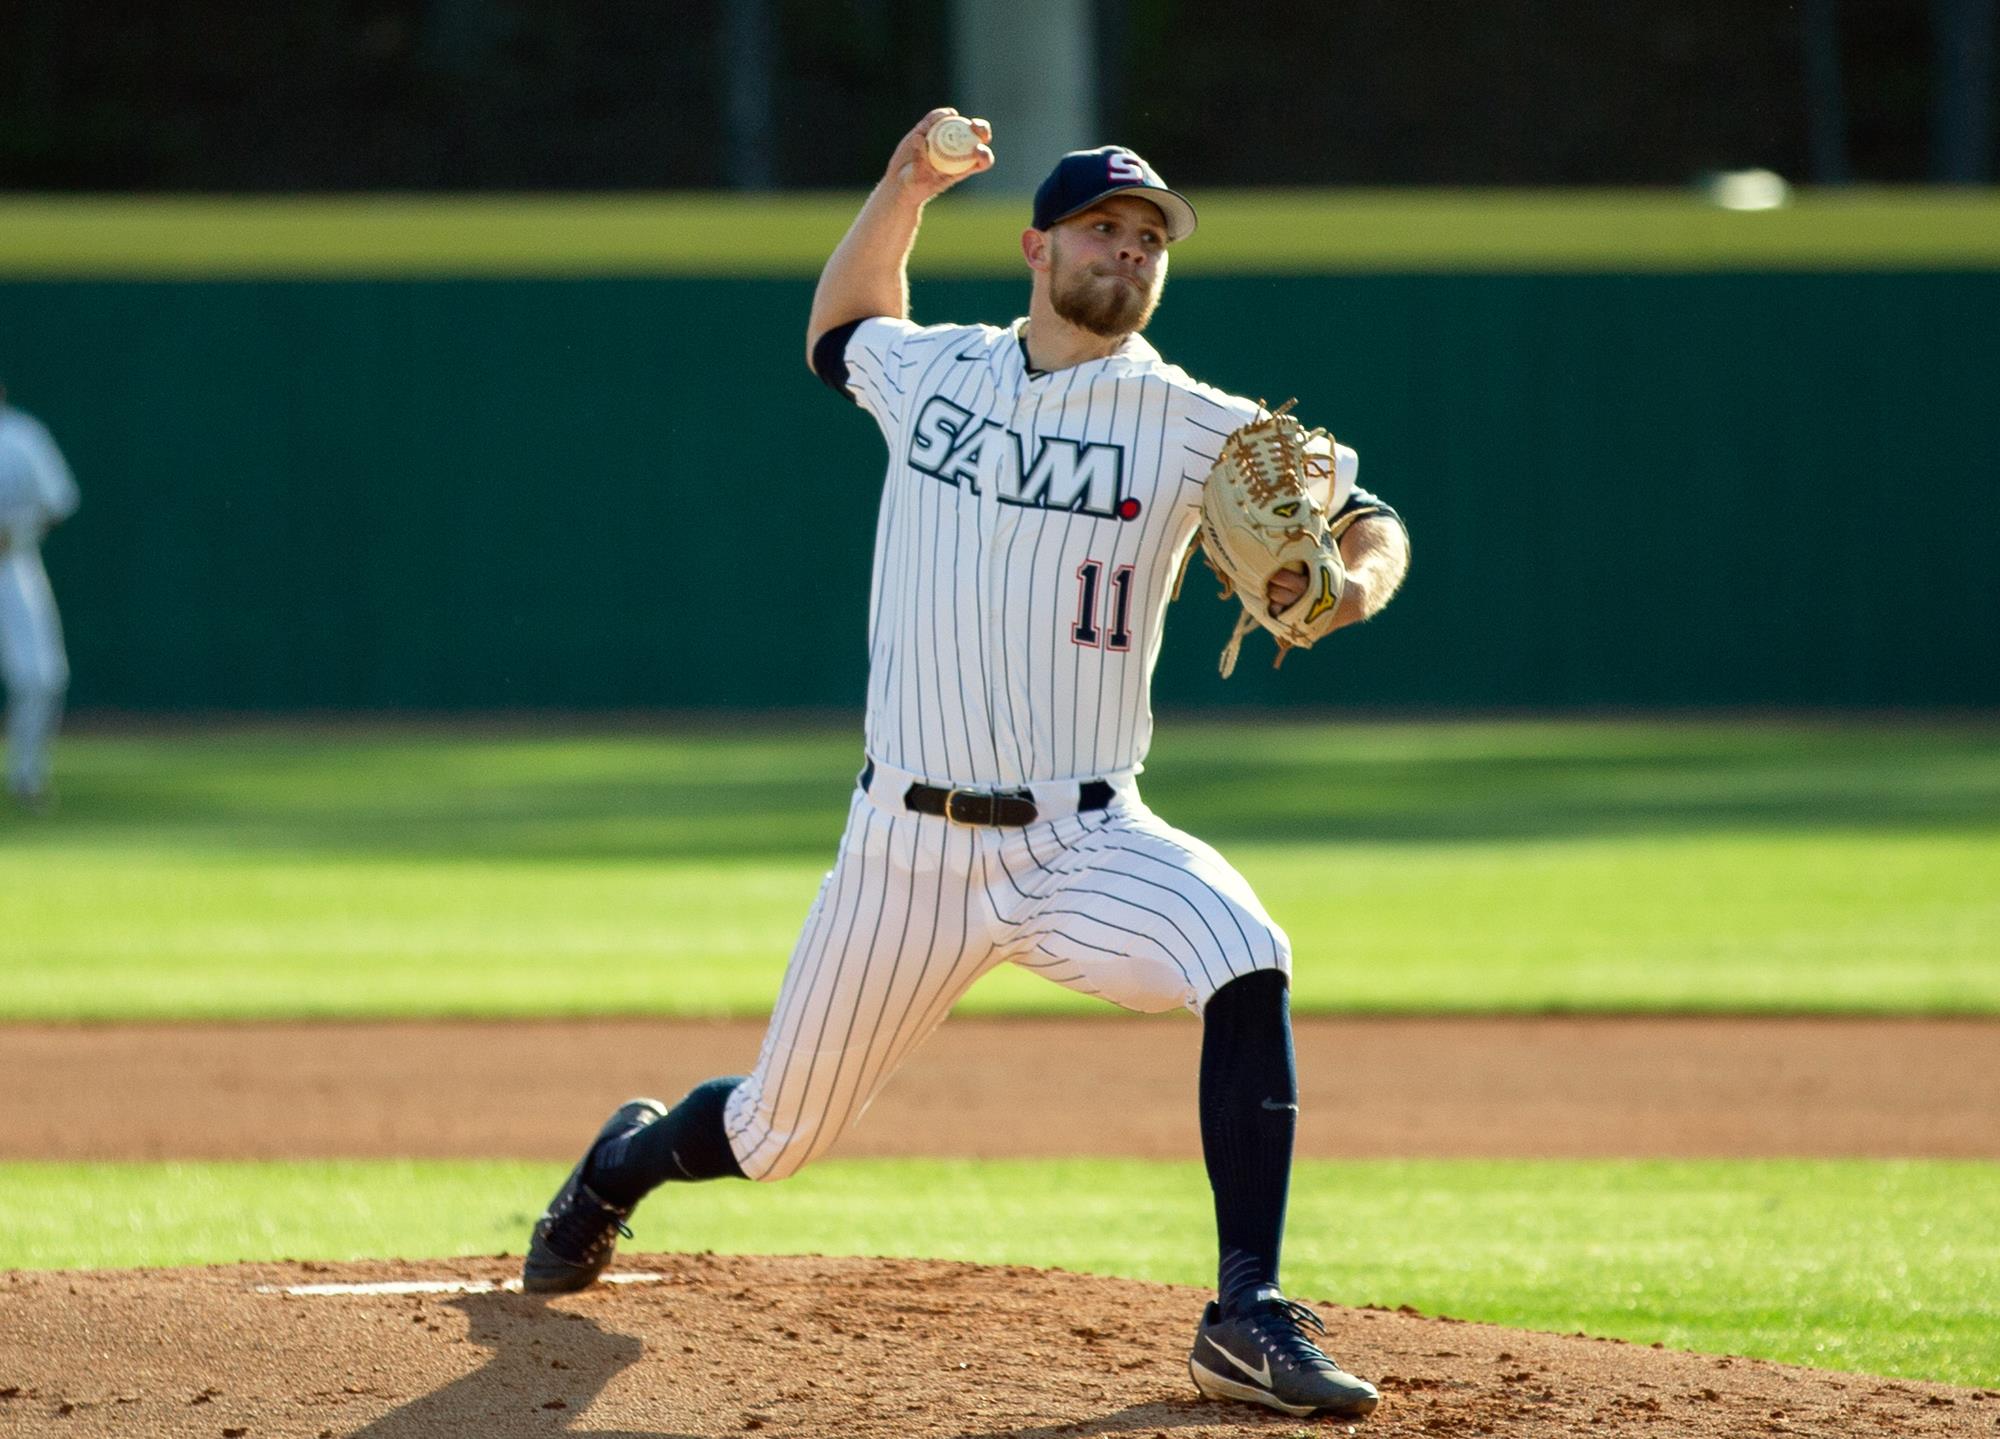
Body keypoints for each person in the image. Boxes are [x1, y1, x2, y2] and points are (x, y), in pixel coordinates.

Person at [525, 110, 1411, 1423]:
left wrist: (1346, 588)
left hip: (1084, 838)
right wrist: (901, 185)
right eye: (1104, 229)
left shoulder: (1194, 423)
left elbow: (1366, 517)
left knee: (1244, 945)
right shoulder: (937, 373)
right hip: (906, 850)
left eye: (1149, 239)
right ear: (1037, 245)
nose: (1127, 252)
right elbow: (838, 329)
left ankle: (1246, 1310)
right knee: (775, 1134)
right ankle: (624, 1160)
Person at [0, 385, 79, 812]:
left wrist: (18, 530)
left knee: (41, 676)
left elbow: (58, 500)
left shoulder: (21, 436)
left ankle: (27, 777)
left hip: (12, 566)